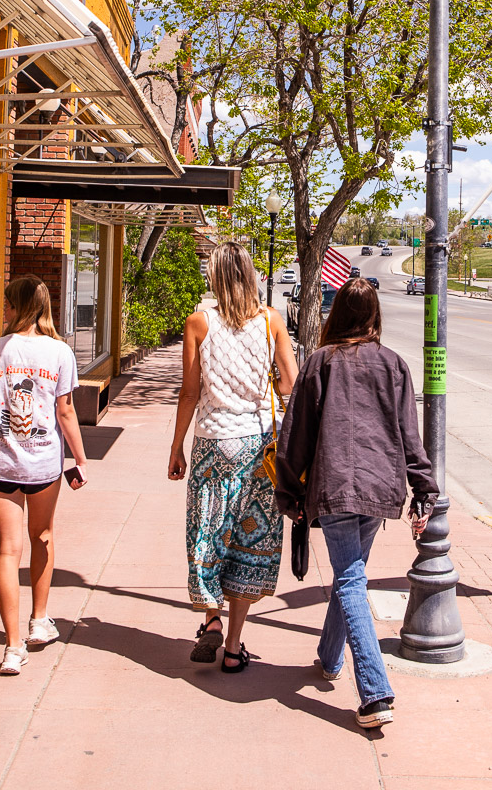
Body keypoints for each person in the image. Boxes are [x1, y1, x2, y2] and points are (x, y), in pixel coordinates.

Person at [274, 278, 438, 729]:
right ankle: (329, 660)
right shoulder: (394, 366)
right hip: (380, 487)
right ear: (374, 316)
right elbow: (410, 436)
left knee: (349, 579)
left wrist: (288, 492)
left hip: (335, 485)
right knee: (352, 574)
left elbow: (296, 437)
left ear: (337, 314)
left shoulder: (319, 363)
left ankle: (375, 692)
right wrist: (423, 489)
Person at [168, 241, 298, 671]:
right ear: (251, 276)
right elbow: (289, 384)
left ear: (216, 278)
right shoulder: (271, 322)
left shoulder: (199, 323)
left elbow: (189, 392)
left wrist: (177, 447)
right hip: (259, 445)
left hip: (213, 442)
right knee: (249, 538)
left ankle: (211, 621)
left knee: (209, 531)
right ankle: (235, 646)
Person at [0, 274, 88, 676]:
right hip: (43, 465)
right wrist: (81, 458)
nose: (4, 309)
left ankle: (12, 647)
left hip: (0, 464)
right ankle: (39, 620)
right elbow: (66, 412)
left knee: (7, 551)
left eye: (7, 303)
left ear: (20, 306)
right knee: (42, 536)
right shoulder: (60, 352)